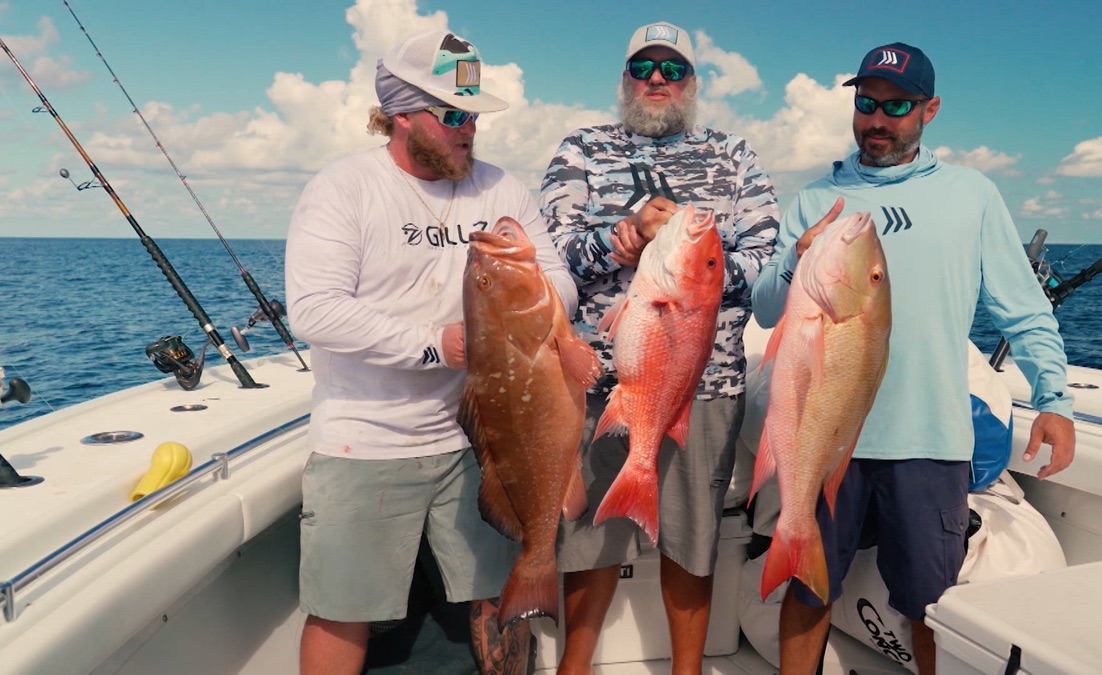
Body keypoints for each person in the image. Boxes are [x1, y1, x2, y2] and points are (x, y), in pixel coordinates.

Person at [751, 42, 1076, 674]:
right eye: (866, 103)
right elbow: (766, 310)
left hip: (930, 440)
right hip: (824, 440)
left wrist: (1054, 399)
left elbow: (1023, 308)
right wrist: (795, 258)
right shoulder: (815, 198)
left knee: (934, 605)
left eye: (896, 106)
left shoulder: (971, 194)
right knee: (808, 591)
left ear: (930, 109)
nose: (877, 119)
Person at [286, 29, 577, 675]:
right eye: (452, 115)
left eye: (473, 114)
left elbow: (561, 281)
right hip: (364, 439)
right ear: (401, 114)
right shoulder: (344, 189)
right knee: (342, 608)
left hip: (481, 439)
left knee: (493, 593)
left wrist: (526, 301)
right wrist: (434, 343)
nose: (468, 128)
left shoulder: (501, 189)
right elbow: (314, 309)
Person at [539, 21, 780, 674]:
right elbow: (553, 255)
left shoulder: (734, 156)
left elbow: (764, 260)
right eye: (642, 67)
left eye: (672, 69)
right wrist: (619, 240)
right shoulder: (581, 149)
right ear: (624, 79)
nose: (656, 79)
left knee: (692, 541)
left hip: (706, 385)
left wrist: (695, 262)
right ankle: (573, 667)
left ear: (692, 83)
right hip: (595, 383)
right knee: (587, 541)